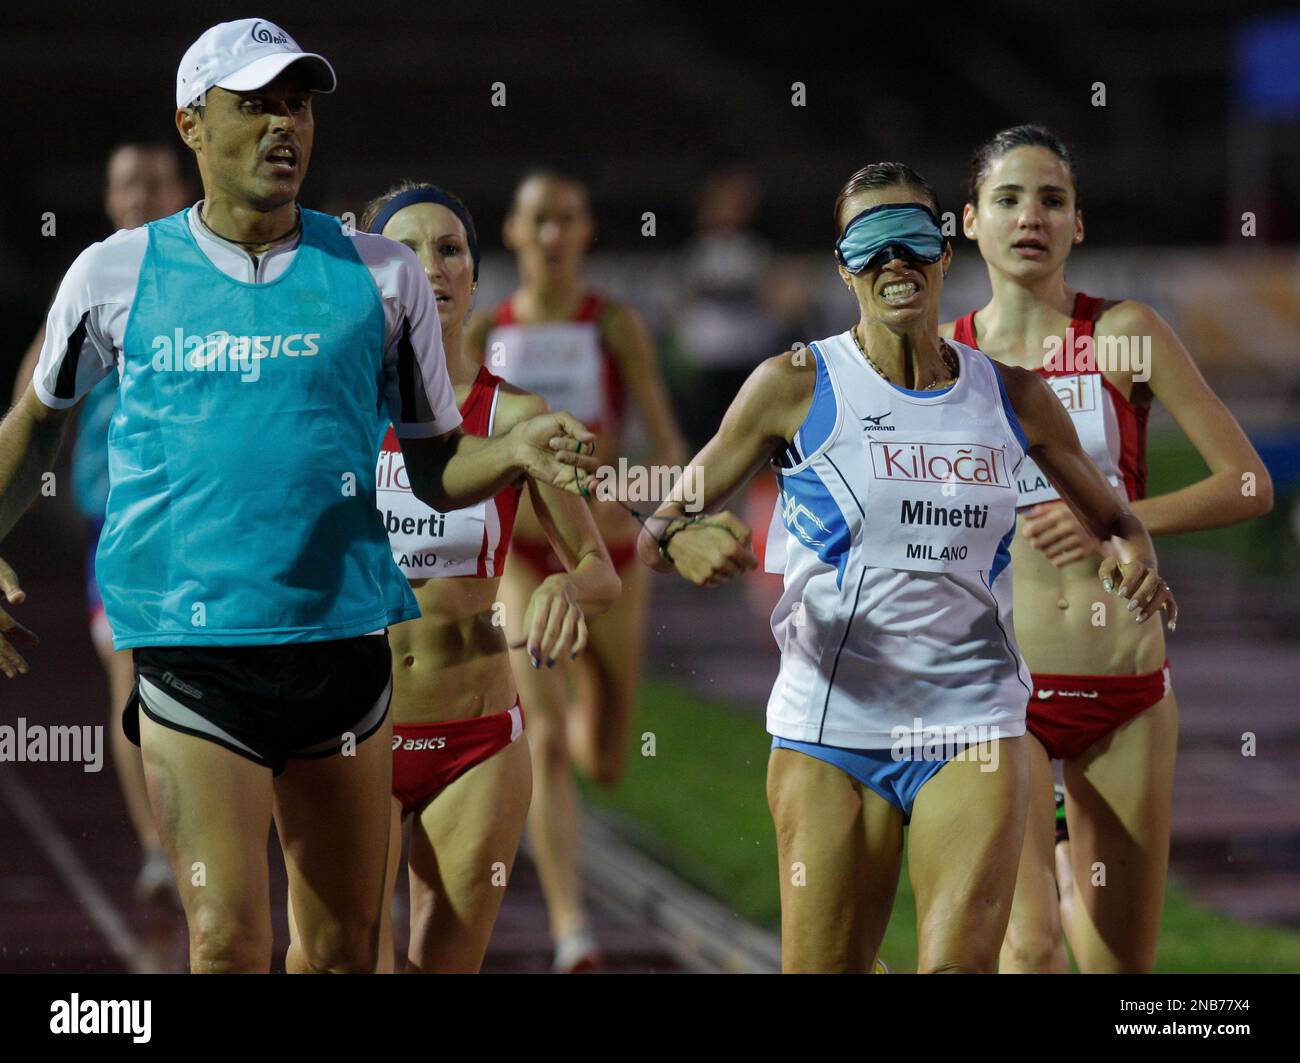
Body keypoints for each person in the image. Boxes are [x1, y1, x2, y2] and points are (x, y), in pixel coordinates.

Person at [0, 18, 598, 974]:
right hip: (195, 661)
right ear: (192, 123)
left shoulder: (378, 272)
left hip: (345, 657)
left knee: (340, 952)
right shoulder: (115, 272)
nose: (286, 124)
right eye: (257, 104)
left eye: (299, 103)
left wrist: (521, 448)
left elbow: (438, 467)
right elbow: (33, 425)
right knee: (231, 940)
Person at [636, 161, 1177, 973]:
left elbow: (1116, 516)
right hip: (831, 726)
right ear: (843, 265)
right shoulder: (792, 383)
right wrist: (679, 537)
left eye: (914, 239)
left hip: (972, 723)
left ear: (945, 253)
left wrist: (1134, 557)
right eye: (871, 244)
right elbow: (659, 516)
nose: (896, 261)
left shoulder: (1015, 396)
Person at [943, 124, 1273, 973]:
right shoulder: (941, 360)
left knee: (1121, 972)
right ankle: (1044, 857)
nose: (1032, 216)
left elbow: (1248, 484)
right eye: (1008, 198)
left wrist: (1124, 520)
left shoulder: (1125, 333)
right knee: (1028, 944)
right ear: (969, 221)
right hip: (996, 690)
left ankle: (1064, 850)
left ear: (1077, 226)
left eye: (1052, 199)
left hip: (1123, 684)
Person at [356, 182, 619, 972]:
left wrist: (564, 586)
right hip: (347, 733)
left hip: (476, 739)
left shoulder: (516, 417)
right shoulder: (333, 407)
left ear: (475, 277)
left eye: (450, 249)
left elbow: (598, 567)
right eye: (406, 250)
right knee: (335, 958)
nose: (430, 267)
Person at [467, 169, 686, 971]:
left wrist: (632, 493)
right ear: (516, 235)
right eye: (538, 221)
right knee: (546, 739)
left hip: (611, 552)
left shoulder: (613, 323)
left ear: (586, 231)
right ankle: (573, 930)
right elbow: (462, 445)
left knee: (606, 757)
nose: (553, 235)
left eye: (566, 219)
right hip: (525, 556)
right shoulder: (486, 329)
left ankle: (601, 723)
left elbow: (665, 443)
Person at [10, 141, 191, 903]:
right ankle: (159, 848)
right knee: (131, 683)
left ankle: (220, 834)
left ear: (178, 187)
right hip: (117, 522)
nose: (137, 197)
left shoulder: (200, 273)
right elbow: (34, 397)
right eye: (123, 185)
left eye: (151, 183)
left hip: (202, 513)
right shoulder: (96, 278)